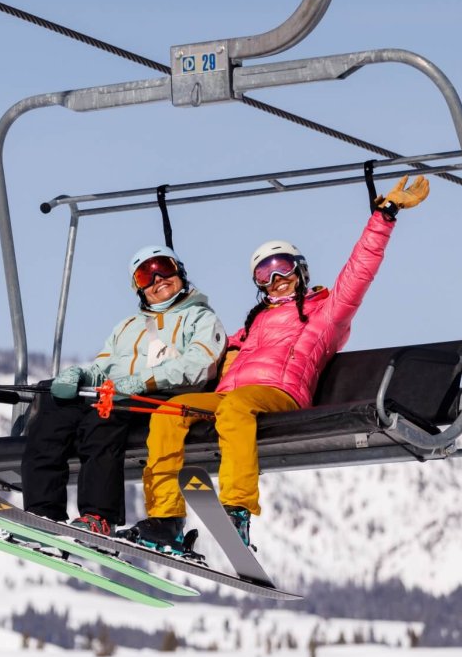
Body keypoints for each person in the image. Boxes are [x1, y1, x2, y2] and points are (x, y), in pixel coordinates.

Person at [129, 175, 430, 550]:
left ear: (300, 270)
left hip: (278, 394)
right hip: (227, 400)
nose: (275, 278)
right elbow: (208, 352)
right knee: (169, 412)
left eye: (282, 267)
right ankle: (165, 519)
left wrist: (383, 217)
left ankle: (236, 509)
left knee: (236, 407)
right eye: (264, 273)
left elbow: (359, 272)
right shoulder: (252, 323)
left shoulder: (326, 314)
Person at [22, 245, 227, 535]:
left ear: (179, 270)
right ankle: (43, 512)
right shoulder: (127, 326)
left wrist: (144, 381)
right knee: (53, 410)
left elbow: (198, 364)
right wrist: (78, 375)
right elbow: (104, 366)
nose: (158, 280)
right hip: (116, 391)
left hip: (161, 395)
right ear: (138, 288)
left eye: (163, 268)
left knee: (103, 418)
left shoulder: (201, 318)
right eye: (146, 276)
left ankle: (99, 516)